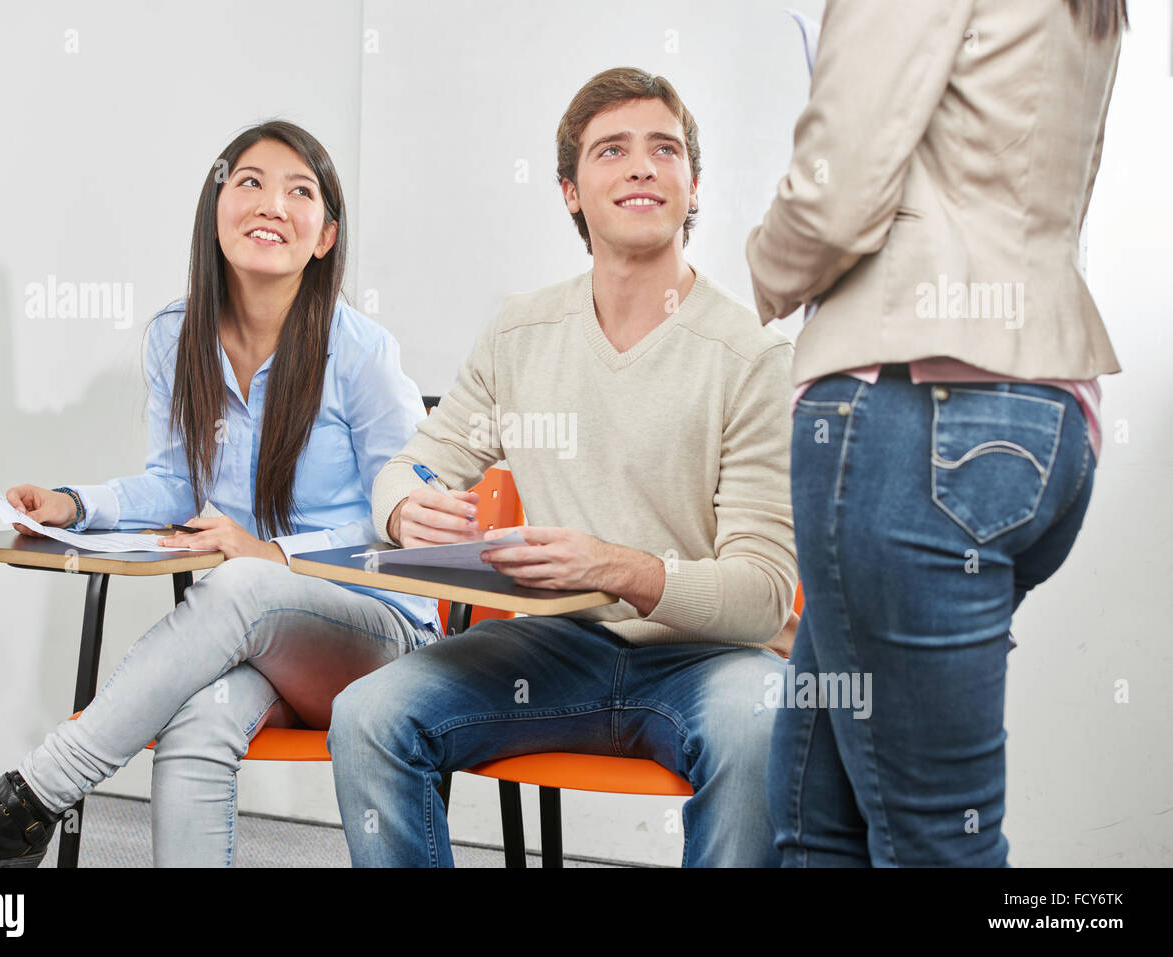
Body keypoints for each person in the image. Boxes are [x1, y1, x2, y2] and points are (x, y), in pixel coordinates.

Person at [0, 120, 439, 867]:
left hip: (378, 639)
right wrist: (75, 505)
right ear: (216, 208)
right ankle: (27, 819)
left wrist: (271, 551)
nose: (270, 202)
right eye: (249, 182)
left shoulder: (363, 354)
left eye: (298, 190)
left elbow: (413, 521)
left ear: (325, 236)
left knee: (243, 579)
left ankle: (33, 796)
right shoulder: (176, 337)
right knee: (196, 723)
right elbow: (176, 482)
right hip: (261, 634)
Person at [326, 67, 799, 867]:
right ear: (571, 192)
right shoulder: (521, 332)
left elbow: (762, 595)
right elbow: (411, 465)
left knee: (762, 726)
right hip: (553, 651)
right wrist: (405, 508)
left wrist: (620, 567)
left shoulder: (751, 357)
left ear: (693, 186)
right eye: (612, 150)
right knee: (368, 715)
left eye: (665, 150)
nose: (642, 166)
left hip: (707, 657)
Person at [748, 0, 1127, 866]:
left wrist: (764, 267)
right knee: (816, 815)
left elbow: (834, 199)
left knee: (933, 843)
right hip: (1036, 424)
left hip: (912, 427)